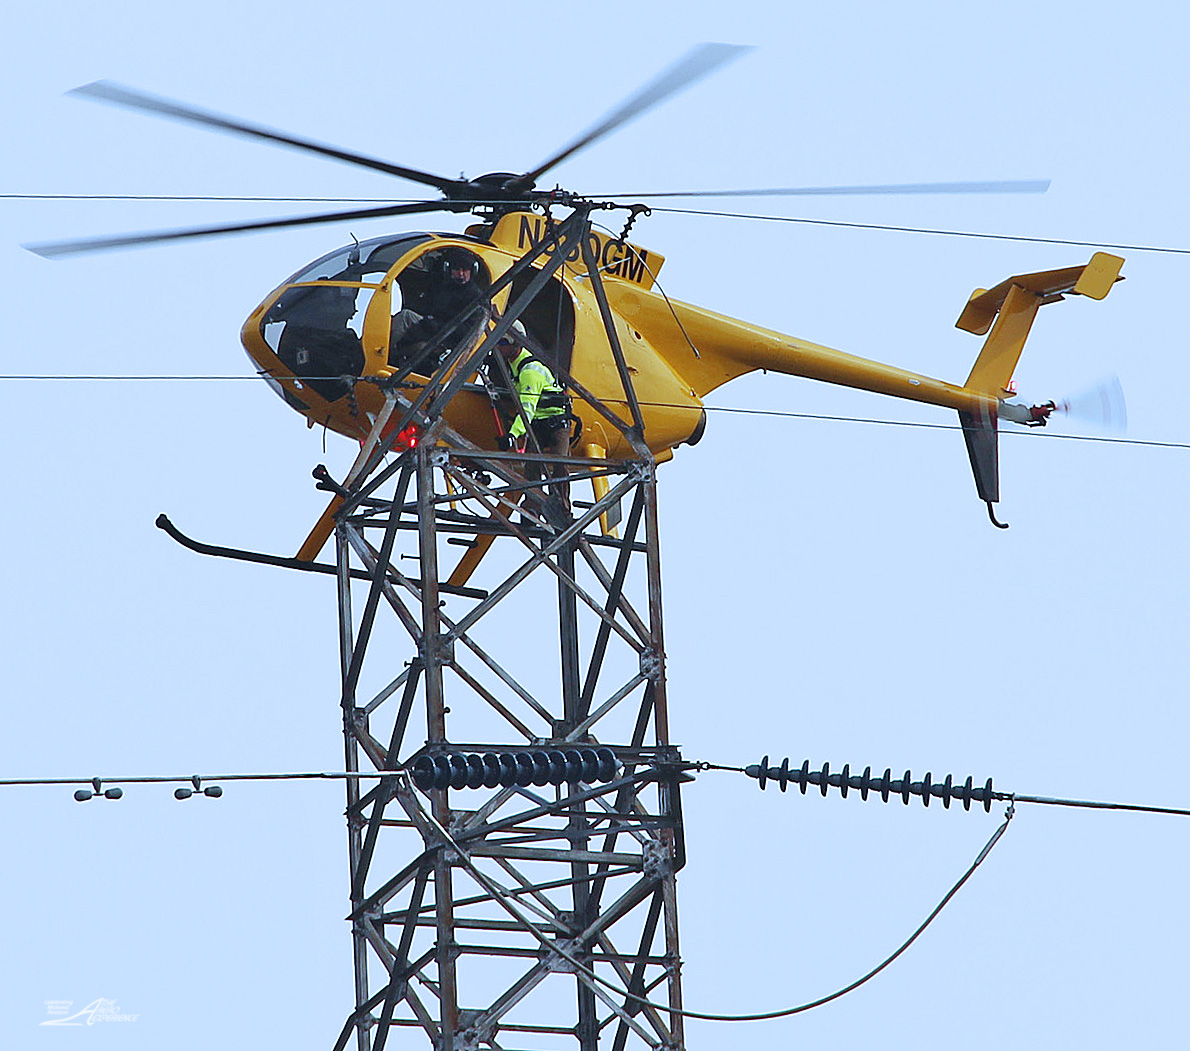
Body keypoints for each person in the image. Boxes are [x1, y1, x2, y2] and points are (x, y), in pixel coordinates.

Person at [492, 323, 572, 515]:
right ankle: (533, 506)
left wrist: (512, 435)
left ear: (516, 344)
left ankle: (562, 508)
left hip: (555, 423)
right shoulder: (514, 365)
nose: (499, 347)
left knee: (560, 467)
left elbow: (526, 408)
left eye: (503, 343)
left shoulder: (529, 371)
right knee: (531, 467)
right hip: (537, 423)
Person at [389, 247, 490, 369]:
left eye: (465, 270)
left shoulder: (476, 297)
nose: (461, 274)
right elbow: (427, 309)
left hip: (447, 341)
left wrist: (434, 326)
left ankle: (393, 357)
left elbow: (468, 330)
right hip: (433, 329)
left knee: (420, 346)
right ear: (449, 270)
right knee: (405, 316)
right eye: (457, 269)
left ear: (472, 271)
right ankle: (385, 351)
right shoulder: (444, 288)